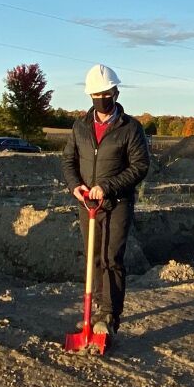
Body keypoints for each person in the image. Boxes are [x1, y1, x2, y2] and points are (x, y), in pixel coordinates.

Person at [61, 64, 150, 337]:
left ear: (116, 93)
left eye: (106, 93)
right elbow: (68, 160)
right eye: (97, 94)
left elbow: (140, 166)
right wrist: (75, 186)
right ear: (90, 96)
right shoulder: (80, 127)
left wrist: (107, 187)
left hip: (117, 203)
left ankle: (109, 314)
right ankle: (96, 309)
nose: (102, 99)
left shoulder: (130, 128)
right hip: (87, 204)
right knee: (94, 258)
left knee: (112, 258)